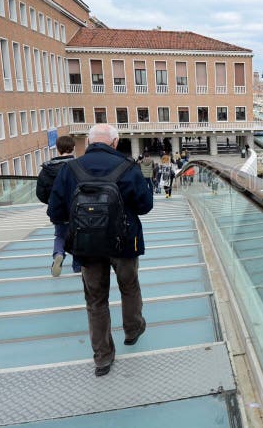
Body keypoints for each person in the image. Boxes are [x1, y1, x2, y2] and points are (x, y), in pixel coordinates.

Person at [47, 124, 153, 377]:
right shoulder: (127, 167)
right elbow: (144, 205)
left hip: (87, 246)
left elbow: (55, 211)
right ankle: (132, 330)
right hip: (124, 243)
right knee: (129, 287)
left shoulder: (70, 169)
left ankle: (103, 358)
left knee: (95, 300)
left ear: (89, 142)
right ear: (114, 143)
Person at [36, 136, 80, 276]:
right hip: (77, 208)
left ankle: (58, 254)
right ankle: (77, 265)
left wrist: (51, 202)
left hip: (57, 209)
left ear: (58, 149)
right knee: (78, 236)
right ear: (73, 148)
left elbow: (40, 192)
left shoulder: (46, 169)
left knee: (60, 236)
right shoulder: (78, 166)